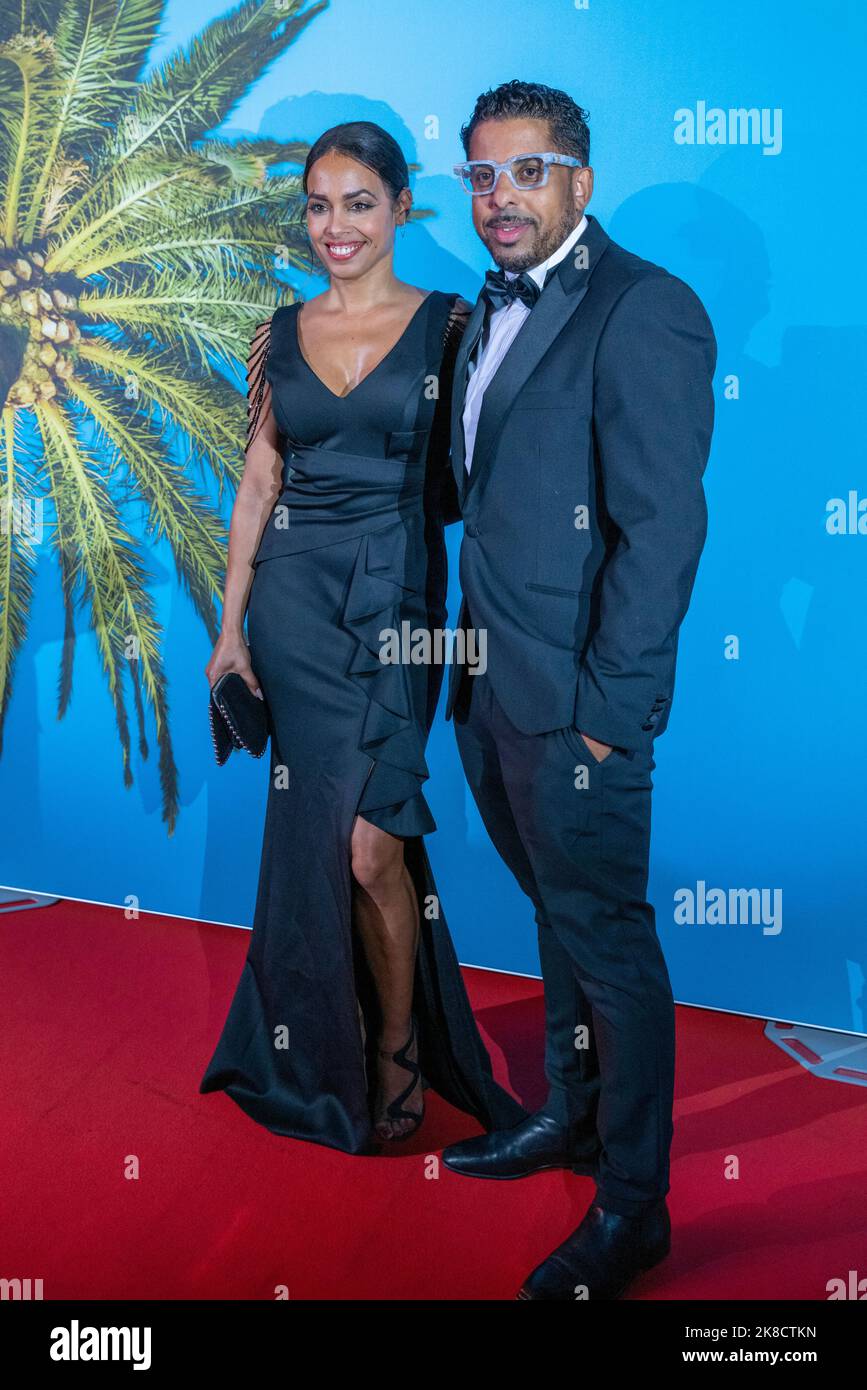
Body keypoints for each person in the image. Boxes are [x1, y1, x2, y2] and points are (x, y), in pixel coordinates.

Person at [199, 121, 527, 1152]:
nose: (334, 225)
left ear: (399, 208)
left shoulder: (451, 327)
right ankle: (320, 1047)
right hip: (293, 611)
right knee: (315, 842)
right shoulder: (280, 331)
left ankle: (395, 1047)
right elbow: (260, 482)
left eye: (357, 203)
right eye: (317, 204)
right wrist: (228, 635)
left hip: (400, 612)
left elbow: (496, 477)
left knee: (373, 844)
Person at [441, 81, 717, 1298]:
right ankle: (571, 1114)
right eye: (483, 176)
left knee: (610, 943)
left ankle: (635, 1206)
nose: (502, 197)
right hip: (488, 693)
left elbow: (661, 537)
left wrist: (612, 718)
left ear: (581, 180)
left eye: (528, 171)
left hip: (582, 711)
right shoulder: (475, 314)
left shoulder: (646, 309)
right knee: (559, 919)